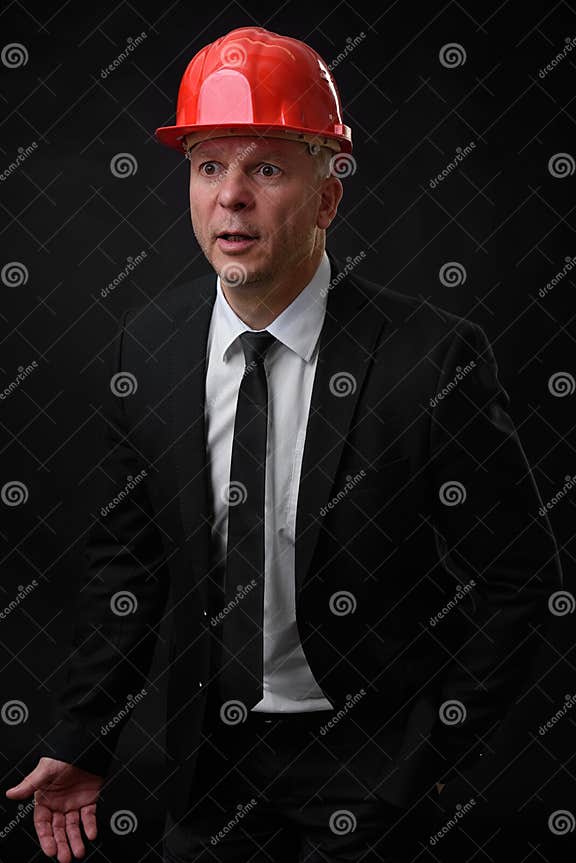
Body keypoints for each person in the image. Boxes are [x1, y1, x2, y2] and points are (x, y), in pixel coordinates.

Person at [5, 25, 563, 863]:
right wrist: (85, 737)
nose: (231, 197)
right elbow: (130, 566)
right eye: (208, 167)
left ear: (327, 197)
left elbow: (519, 580)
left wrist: (434, 757)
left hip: (371, 766)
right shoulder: (148, 347)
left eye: (265, 169)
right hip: (209, 768)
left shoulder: (430, 358)